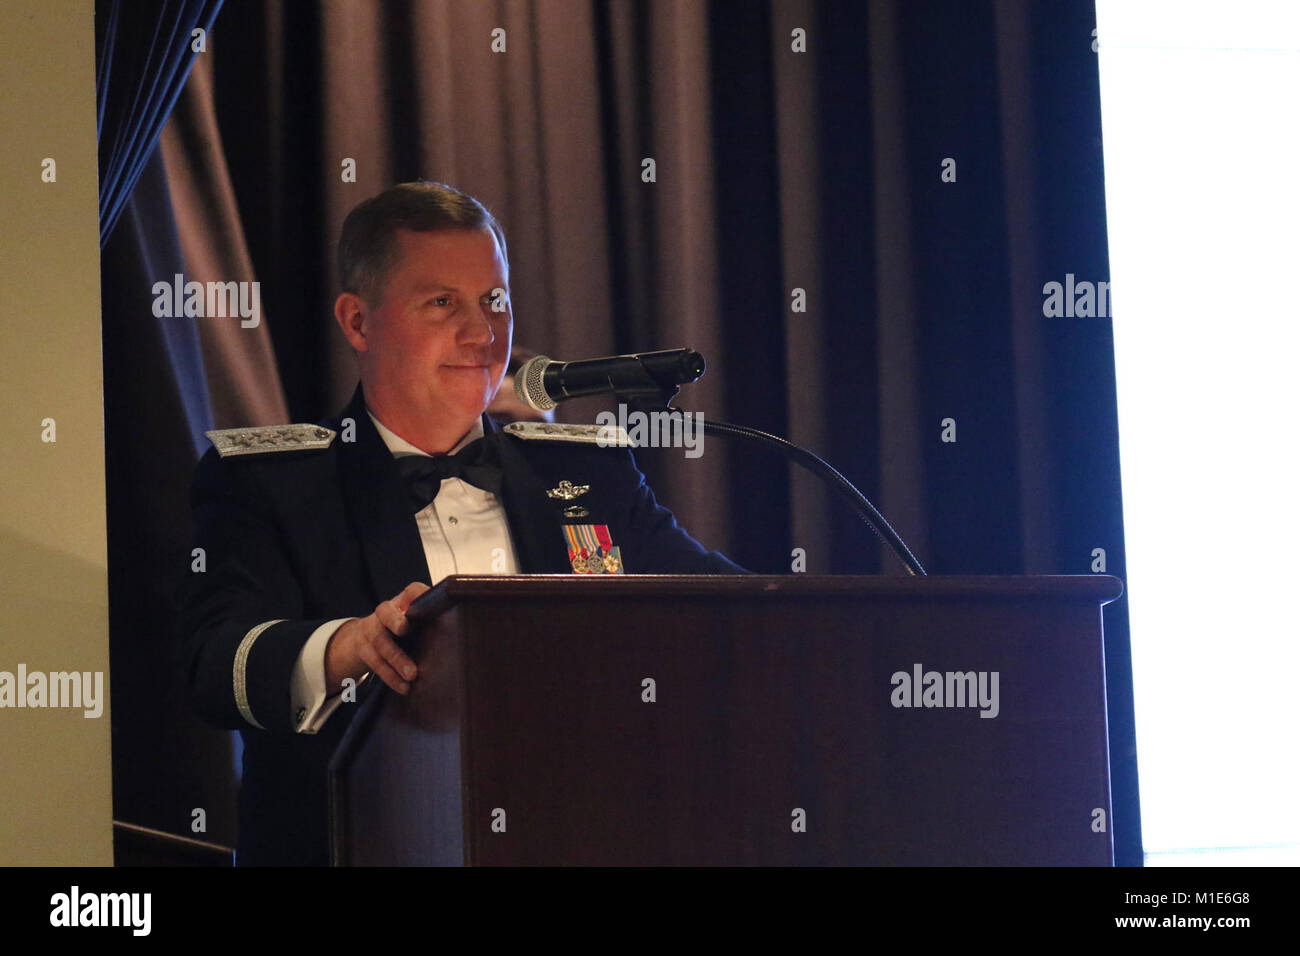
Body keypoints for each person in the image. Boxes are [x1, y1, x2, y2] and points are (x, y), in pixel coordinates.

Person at [178, 181, 744, 866]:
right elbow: (213, 667)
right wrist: (342, 648)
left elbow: (729, 610)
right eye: (442, 303)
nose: (483, 334)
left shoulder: (591, 476)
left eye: (494, 300)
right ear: (358, 322)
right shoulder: (271, 483)